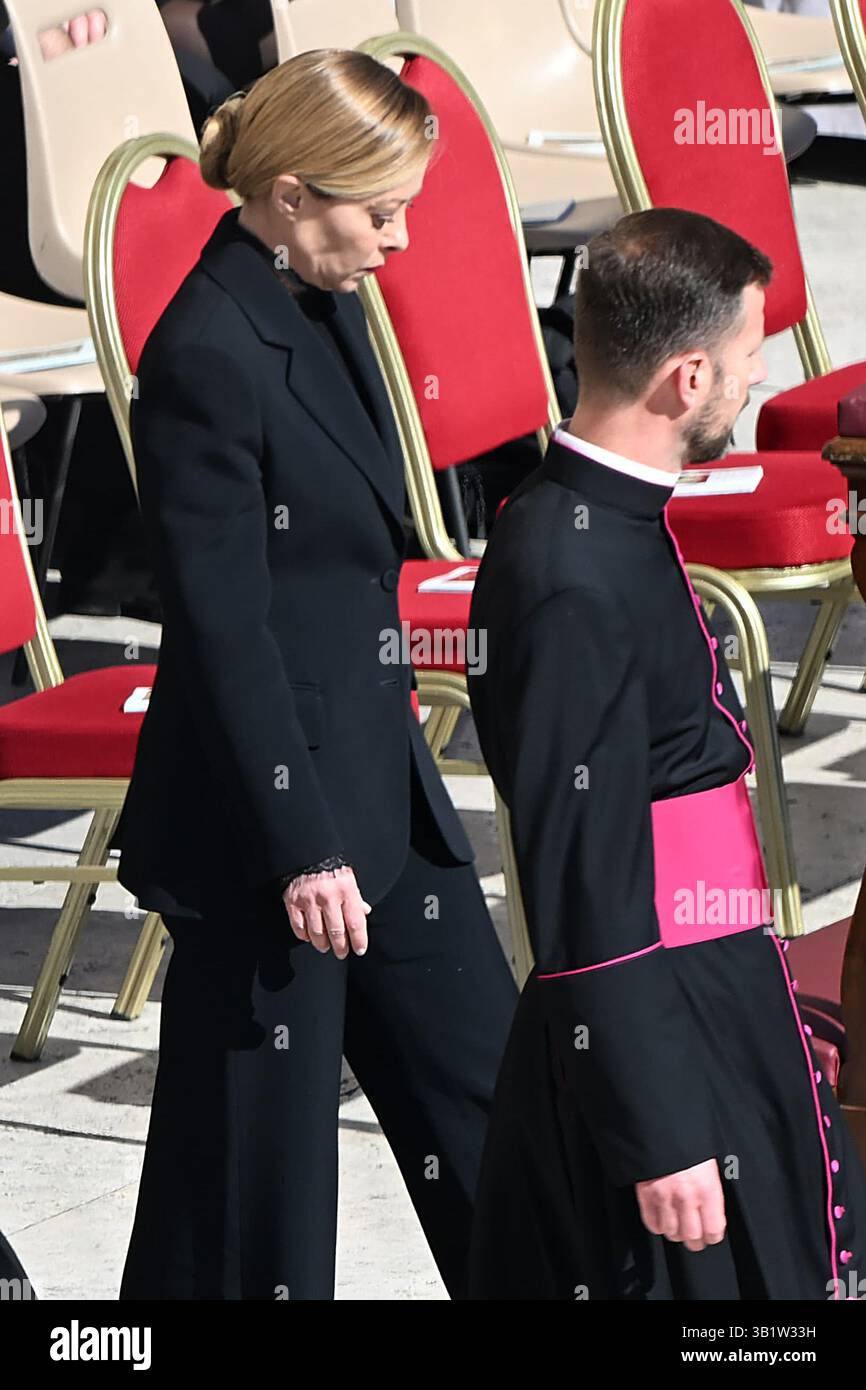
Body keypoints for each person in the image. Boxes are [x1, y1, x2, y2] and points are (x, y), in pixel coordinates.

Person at [115, 49, 517, 1301]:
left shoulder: (320, 290)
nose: (399, 241)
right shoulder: (207, 351)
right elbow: (222, 630)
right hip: (273, 835)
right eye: (378, 210)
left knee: (500, 1128)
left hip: (379, 796)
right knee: (249, 1205)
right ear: (290, 193)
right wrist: (300, 845)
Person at [466, 207, 866, 1300]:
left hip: (710, 980)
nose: (747, 386)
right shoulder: (568, 572)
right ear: (686, 378)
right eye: (744, 363)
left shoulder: (600, 526)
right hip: (662, 1021)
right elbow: (579, 877)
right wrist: (659, 1127)